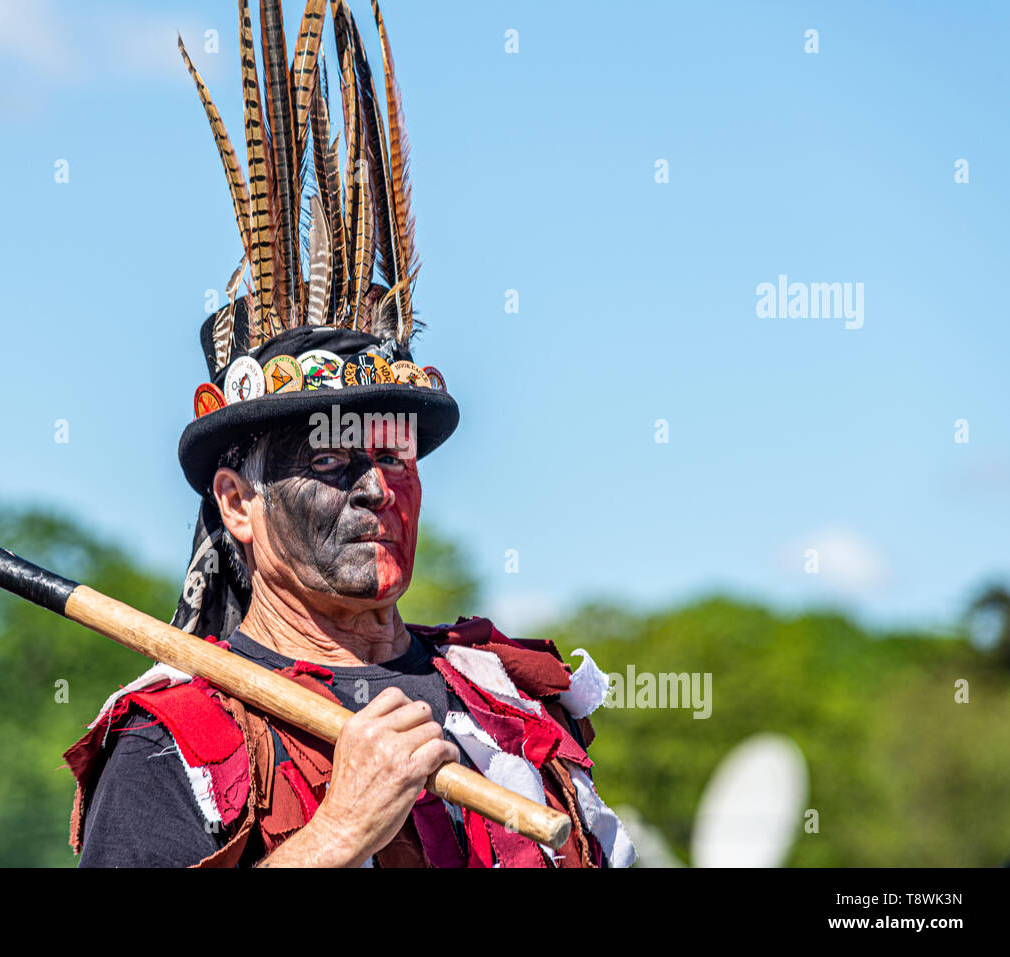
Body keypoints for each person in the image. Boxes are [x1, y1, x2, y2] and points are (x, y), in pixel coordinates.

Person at [62, 0, 635, 868]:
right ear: (237, 502)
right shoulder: (171, 737)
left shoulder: (505, 705)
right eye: (333, 459)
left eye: (394, 453)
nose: (378, 486)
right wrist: (338, 832)